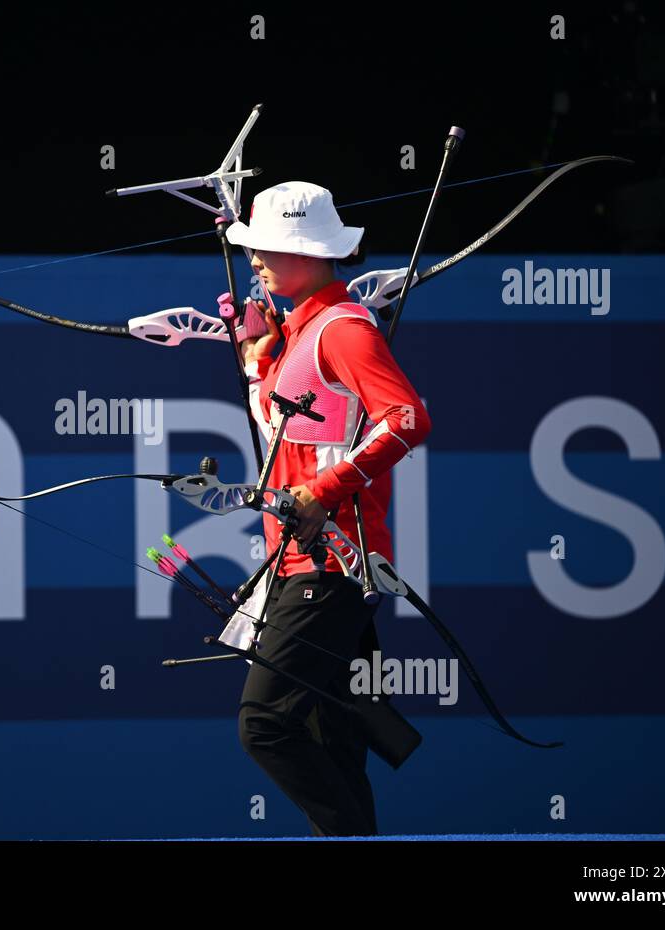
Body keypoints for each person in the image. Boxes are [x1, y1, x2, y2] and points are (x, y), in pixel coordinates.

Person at [225, 181, 432, 836]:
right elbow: (285, 443)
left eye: (265, 248)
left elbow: (406, 419)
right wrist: (258, 361)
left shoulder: (340, 329)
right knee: (330, 734)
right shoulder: (302, 331)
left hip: (332, 563)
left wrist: (325, 490)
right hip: (298, 563)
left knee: (265, 725)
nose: (254, 260)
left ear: (308, 252)